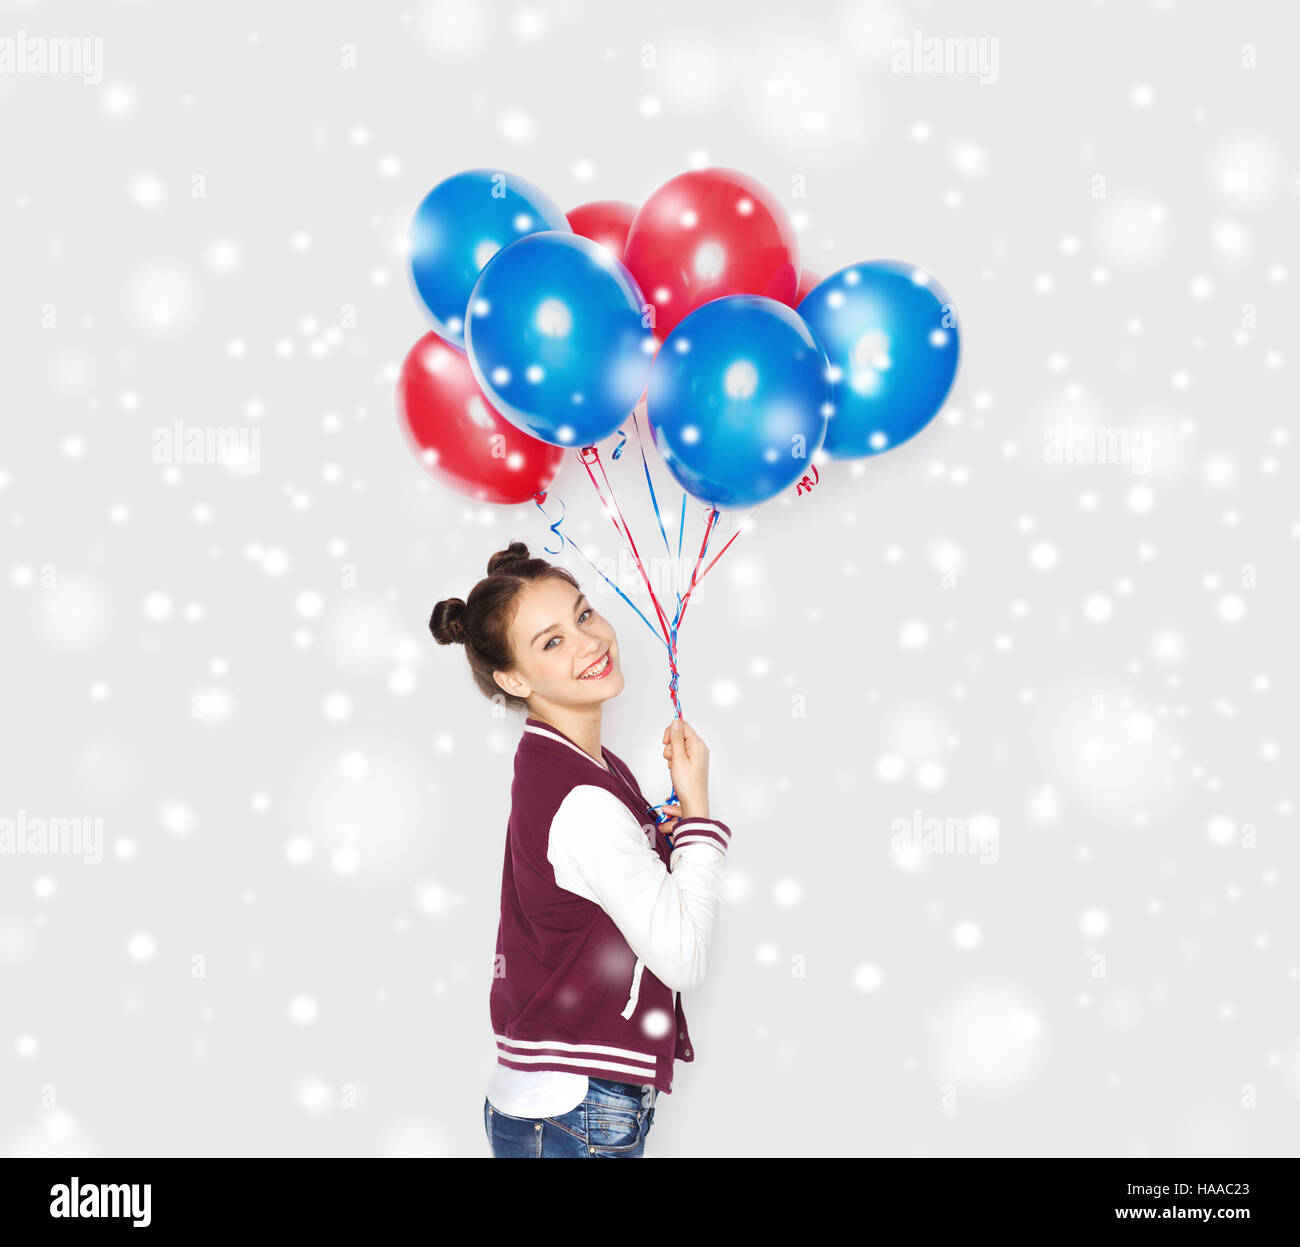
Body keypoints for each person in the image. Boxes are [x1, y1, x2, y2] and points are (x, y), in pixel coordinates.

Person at [430, 540, 733, 1157]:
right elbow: (684, 959)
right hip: (576, 1109)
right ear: (512, 678)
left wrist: (657, 837)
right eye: (552, 642)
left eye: (583, 614)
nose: (589, 642)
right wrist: (699, 817)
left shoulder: (574, 764)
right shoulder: (583, 798)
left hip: (562, 1106)